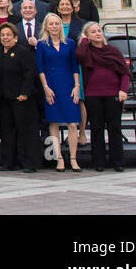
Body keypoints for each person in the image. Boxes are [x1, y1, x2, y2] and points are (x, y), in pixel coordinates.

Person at [77, 22, 130, 172]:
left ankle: (118, 161)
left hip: (113, 94)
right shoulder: (86, 51)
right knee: (97, 129)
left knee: (114, 129)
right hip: (93, 95)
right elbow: (79, 55)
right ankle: (99, 162)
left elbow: (124, 72)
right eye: (93, 32)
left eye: (99, 31)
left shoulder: (113, 51)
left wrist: (123, 90)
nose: (98, 34)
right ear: (87, 36)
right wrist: (84, 41)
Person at [37, 13, 82, 171]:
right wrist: (46, 87)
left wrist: (77, 86)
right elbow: (40, 67)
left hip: (67, 83)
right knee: (53, 122)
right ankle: (59, 158)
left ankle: (73, 158)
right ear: (46, 26)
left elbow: (75, 66)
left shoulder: (69, 43)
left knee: (72, 123)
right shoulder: (42, 44)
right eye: (51, 24)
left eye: (57, 24)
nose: (54, 26)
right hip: (51, 85)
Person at [0, 22, 40, 172]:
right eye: (3, 35)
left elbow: (29, 74)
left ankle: (29, 163)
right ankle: (8, 162)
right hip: (4, 99)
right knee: (7, 132)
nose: (5, 38)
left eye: (8, 35)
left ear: (15, 37)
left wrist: (24, 93)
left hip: (21, 99)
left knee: (25, 132)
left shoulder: (23, 52)